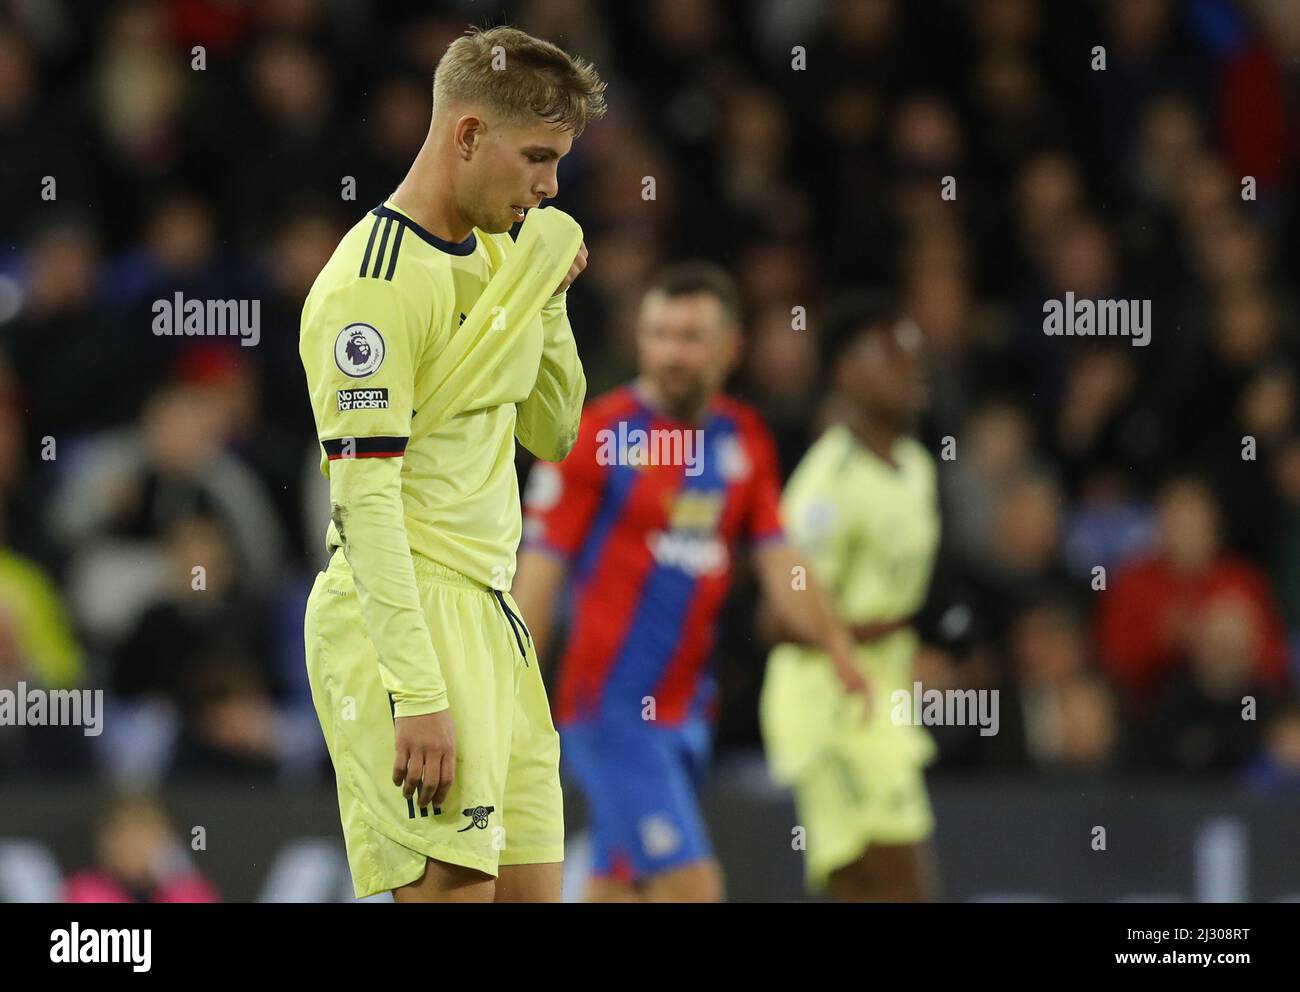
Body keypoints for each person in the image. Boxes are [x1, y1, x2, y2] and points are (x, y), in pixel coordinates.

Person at [299, 25, 606, 903]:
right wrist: (417, 693)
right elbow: (365, 506)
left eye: (561, 165)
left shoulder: (510, 244)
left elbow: (553, 430)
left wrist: (546, 298)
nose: (550, 187)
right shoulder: (372, 287)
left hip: (495, 616)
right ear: (467, 136)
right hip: (405, 617)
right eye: (538, 158)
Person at [512, 263, 861, 902]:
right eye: (659, 333)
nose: (672, 351)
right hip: (611, 712)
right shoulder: (597, 436)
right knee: (692, 888)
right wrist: (508, 698)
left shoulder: (744, 439)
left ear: (731, 348)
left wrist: (836, 644)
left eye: (690, 336)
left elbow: (780, 559)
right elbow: (539, 573)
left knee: (618, 889)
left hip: (686, 711)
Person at [760, 294, 942, 901]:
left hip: (886, 703)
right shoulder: (826, 485)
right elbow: (776, 619)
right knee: (901, 887)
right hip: (831, 708)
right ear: (846, 373)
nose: (911, 367)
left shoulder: (917, 465)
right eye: (890, 355)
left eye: (914, 354)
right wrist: (874, 632)